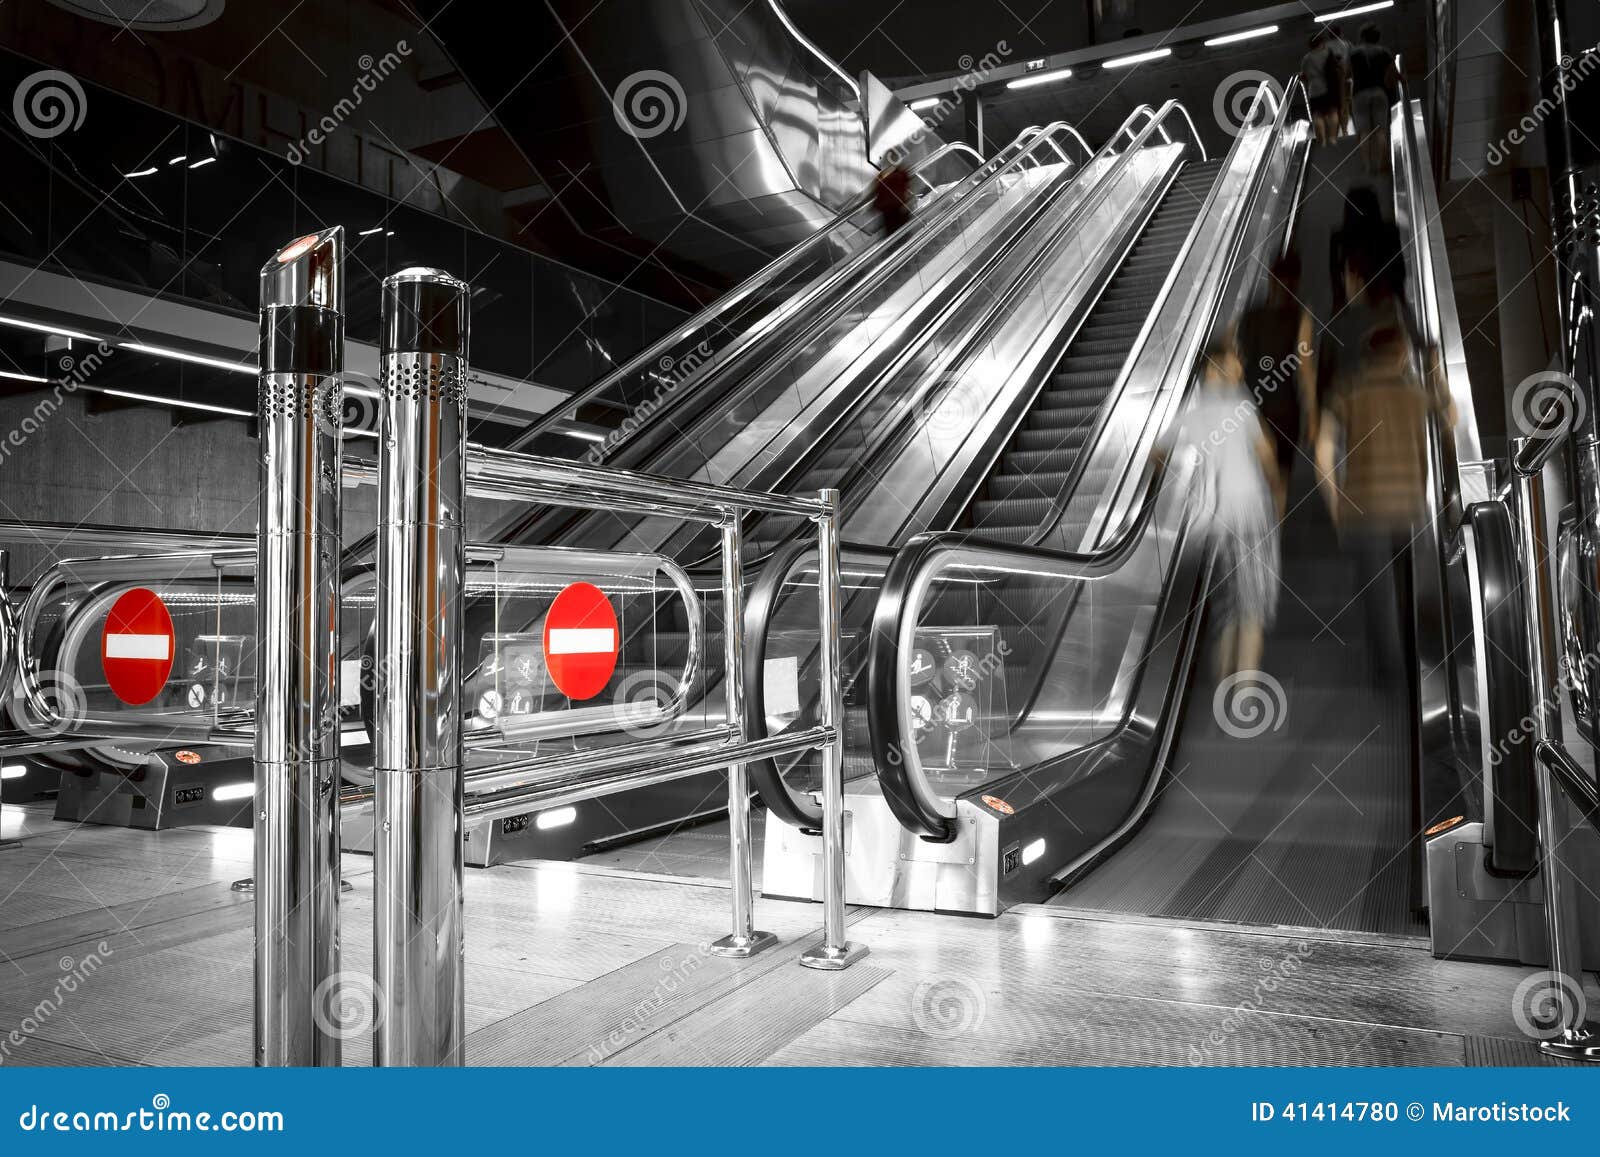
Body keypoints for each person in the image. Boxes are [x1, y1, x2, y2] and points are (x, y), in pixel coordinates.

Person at [1314, 248, 1450, 676]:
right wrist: (1433, 368)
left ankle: (1388, 670)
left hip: (1362, 504)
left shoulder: (1348, 393)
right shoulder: (1414, 394)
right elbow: (1449, 417)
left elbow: (1321, 448)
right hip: (1408, 502)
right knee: (1411, 580)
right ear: (1399, 355)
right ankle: (1421, 663)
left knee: (1377, 592)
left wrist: (1334, 500)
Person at [1163, 333, 1281, 680]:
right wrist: (1276, 494)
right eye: (1232, 364)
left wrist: (1191, 480)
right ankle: (1244, 691)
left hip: (1210, 520)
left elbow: (1158, 453)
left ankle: (1221, 685)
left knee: (1227, 609)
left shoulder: (1191, 412)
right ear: (1213, 370)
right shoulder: (1241, 404)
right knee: (1252, 607)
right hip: (1249, 513)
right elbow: (1268, 459)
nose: (1240, 370)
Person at [1235, 252, 1318, 517]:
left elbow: (1236, 364)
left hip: (1250, 409)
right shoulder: (1300, 317)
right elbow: (1305, 370)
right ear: (1297, 282)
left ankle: (1248, 537)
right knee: (1279, 479)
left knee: (1253, 476)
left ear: (1271, 279)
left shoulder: (1250, 316)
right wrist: (1312, 414)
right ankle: (1272, 537)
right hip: (1285, 412)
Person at [1327, 182, 1403, 312]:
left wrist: (1338, 303)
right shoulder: (1389, 234)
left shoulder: (1341, 240)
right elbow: (1399, 272)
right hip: (1386, 307)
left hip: (1358, 309)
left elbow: (1336, 277)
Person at [1349, 23, 1402, 174]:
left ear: (1362, 37)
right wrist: (1401, 79)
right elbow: (1393, 75)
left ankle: (1368, 166)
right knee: (1380, 131)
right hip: (1379, 93)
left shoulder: (1354, 53)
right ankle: (1383, 164)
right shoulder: (1384, 52)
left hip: (1359, 95)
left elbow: (1346, 74)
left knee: (1364, 132)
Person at [1299, 30, 1341, 145]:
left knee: (1318, 115)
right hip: (1329, 88)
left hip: (1314, 90)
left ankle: (1321, 141)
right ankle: (1332, 138)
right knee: (1332, 112)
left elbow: (1304, 75)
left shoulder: (1306, 58)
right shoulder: (1328, 53)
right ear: (1321, 42)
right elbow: (1337, 69)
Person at [873, 163, 914, 235]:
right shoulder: (900, 173)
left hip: (891, 209)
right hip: (898, 207)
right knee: (901, 229)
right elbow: (906, 182)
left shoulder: (881, 179)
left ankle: (898, 240)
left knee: (893, 230)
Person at [1328, 23, 1353, 136]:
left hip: (1330, 82)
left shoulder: (1325, 46)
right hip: (1345, 79)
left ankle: (1334, 131)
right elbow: (1353, 60)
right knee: (1345, 104)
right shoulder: (1347, 44)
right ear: (1341, 33)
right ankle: (1345, 130)